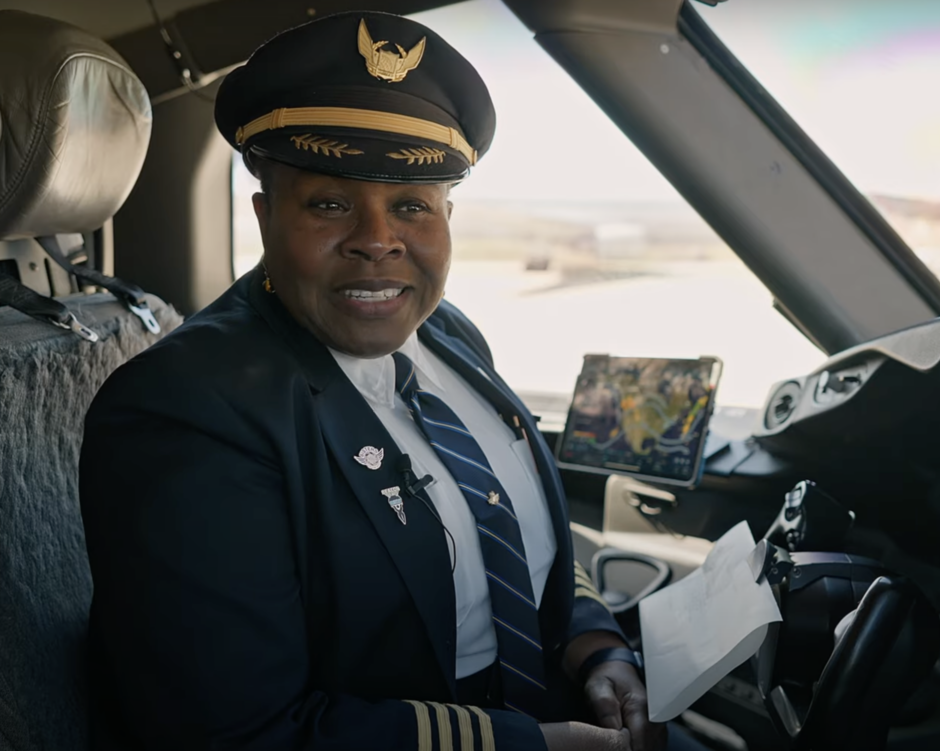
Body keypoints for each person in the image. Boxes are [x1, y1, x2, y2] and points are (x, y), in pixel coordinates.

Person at [80, 11, 687, 751]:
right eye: (330, 204)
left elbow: (514, 533)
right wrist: (533, 744)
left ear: (447, 215)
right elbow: (238, 733)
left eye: (410, 205)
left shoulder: (448, 332)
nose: (377, 240)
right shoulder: (186, 413)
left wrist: (596, 646)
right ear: (266, 215)